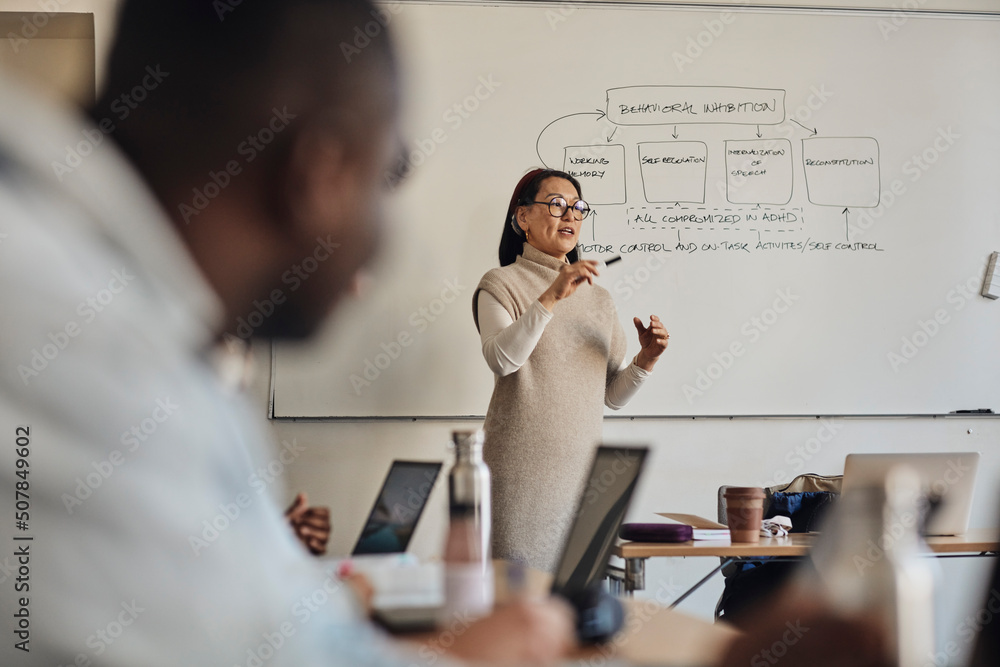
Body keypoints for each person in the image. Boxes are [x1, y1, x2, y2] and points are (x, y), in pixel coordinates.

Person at [0, 2, 575, 665]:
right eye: (378, 180)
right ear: (321, 171)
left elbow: (251, 616)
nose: (379, 246)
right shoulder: (86, 349)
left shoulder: (132, 318)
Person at [472, 168, 669, 572]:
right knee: (518, 603)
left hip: (584, 477)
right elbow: (503, 359)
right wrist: (551, 297)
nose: (570, 216)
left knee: (576, 611)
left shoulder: (599, 299)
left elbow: (610, 396)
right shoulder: (500, 283)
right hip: (519, 476)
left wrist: (645, 361)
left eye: (578, 208)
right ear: (522, 217)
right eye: (557, 205)